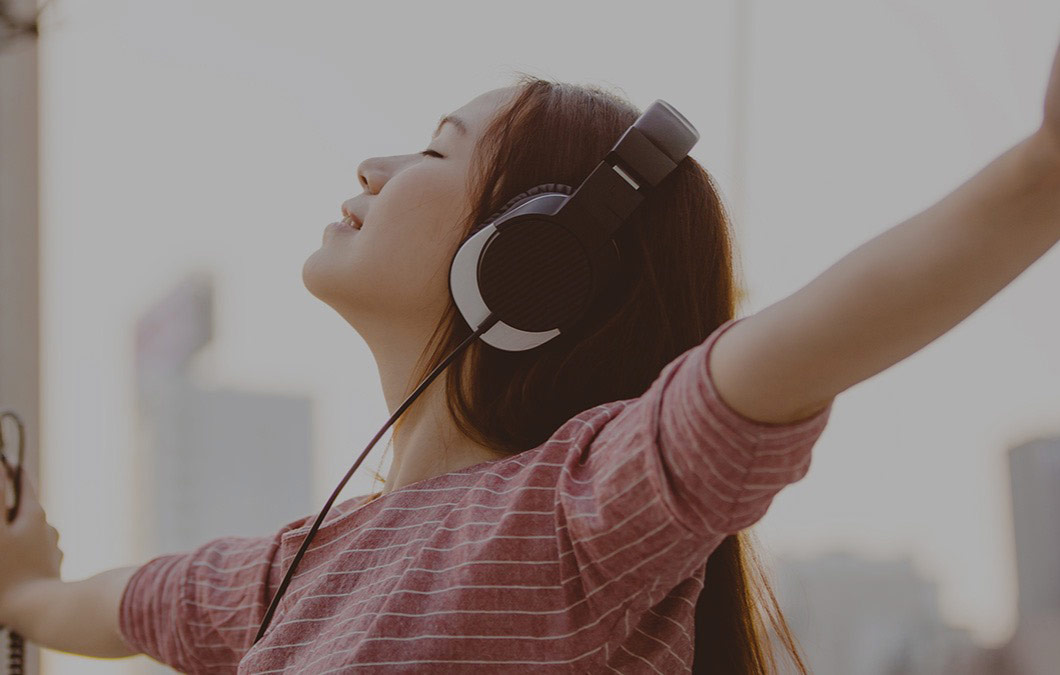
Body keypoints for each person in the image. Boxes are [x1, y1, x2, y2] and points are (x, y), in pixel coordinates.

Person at [2, 44, 1059, 672]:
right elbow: (107, 606)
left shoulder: (578, 512)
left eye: (433, 149)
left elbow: (799, 345)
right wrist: (26, 588)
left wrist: (1039, 175)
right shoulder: (287, 571)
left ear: (531, 261)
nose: (374, 163)